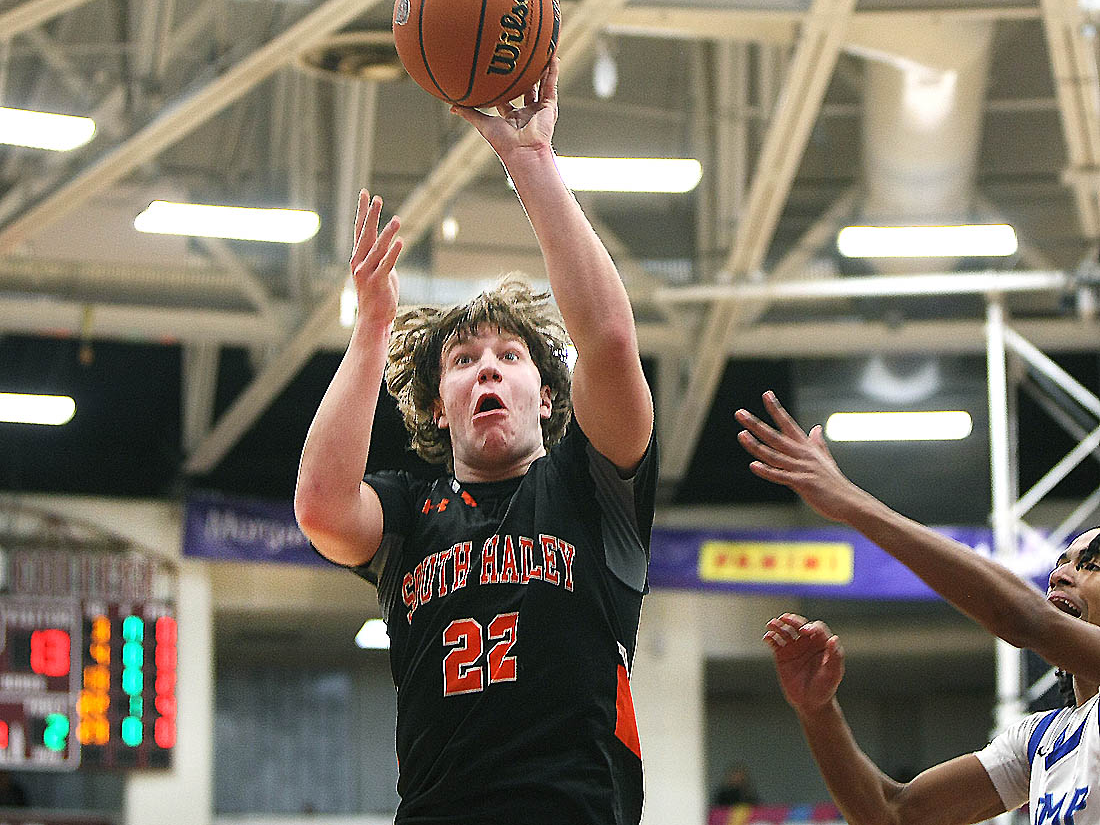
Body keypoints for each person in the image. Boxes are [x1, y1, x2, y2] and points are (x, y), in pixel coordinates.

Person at [294, 56, 657, 825]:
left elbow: (610, 341)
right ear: (437, 408)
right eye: (463, 361)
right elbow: (321, 506)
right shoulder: (410, 516)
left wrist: (531, 161)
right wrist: (371, 329)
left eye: (509, 356)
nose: (486, 367)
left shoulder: (591, 490)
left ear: (548, 395)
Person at [735, 390, 1099, 825]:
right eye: (1061, 563)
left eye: (1091, 565)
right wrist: (817, 711)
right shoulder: (1041, 740)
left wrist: (851, 503)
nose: (1060, 575)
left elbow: (1025, 619)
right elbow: (893, 814)